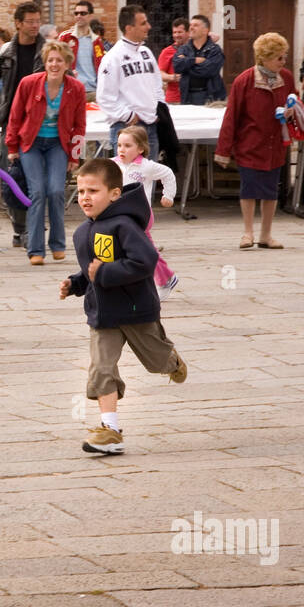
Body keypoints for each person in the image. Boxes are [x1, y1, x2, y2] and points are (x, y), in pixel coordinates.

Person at [59, 157, 187, 456]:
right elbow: (90, 270)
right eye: (81, 192)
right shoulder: (82, 232)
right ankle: (110, 430)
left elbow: (145, 261)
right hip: (103, 315)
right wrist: (76, 284)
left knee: (156, 363)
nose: (85, 198)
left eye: (93, 191)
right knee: (101, 369)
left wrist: (104, 273)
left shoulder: (125, 225)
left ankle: (171, 360)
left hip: (135, 311)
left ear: (115, 194)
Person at [5, 39, 86, 265]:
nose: (54, 64)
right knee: (37, 192)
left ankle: (58, 245)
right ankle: (35, 249)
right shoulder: (29, 83)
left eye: (59, 60)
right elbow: (15, 116)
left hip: (57, 144)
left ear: (67, 63)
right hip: (30, 143)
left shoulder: (75, 88)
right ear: (44, 62)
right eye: (50, 60)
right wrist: (12, 147)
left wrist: (74, 155)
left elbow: (80, 125)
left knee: (56, 191)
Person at [215, 32, 297, 250]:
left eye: (284, 56)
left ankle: (266, 235)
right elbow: (231, 116)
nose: (283, 61)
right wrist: (223, 150)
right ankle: (247, 233)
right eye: (279, 57)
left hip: (275, 144)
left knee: (271, 190)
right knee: (249, 189)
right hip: (249, 144)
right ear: (265, 58)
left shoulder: (286, 77)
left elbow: (296, 100)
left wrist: (292, 111)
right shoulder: (244, 80)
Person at [0, 1, 44, 248]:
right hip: (13, 125)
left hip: (41, 122)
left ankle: (34, 226)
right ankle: (21, 229)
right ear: (18, 23)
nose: (35, 25)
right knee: (16, 176)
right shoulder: (4, 53)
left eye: (37, 20)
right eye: (30, 21)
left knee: (41, 180)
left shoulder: (47, 51)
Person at [114, 125, 178, 299]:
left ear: (140, 148)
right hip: (119, 214)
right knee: (138, 249)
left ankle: (164, 279)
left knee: (144, 249)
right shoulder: (113, 165)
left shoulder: (146, 166)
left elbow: (168, 174)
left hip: (140, 214)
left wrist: (168, 195)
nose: (122, 149)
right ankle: (143, 281)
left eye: (128, 146)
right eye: (119, 145)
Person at [97, 5, 166, 157]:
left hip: (151, 126)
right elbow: (104, 97)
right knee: (129, 179)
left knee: (149, 179)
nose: (149, 26)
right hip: (127, 128)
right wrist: (128, 116)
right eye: (143, 23)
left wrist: (159, 109)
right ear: (129, 28)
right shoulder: (112, 57)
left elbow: (157, 86)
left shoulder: (146, 52)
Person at [58, 0, 108, 98]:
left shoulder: (96, 40)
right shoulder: (65, 37)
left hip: (94, 90)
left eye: (83, 13)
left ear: (91, 16)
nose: (79, 16)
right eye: (76, 13)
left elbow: (102, 65)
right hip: (72, 89)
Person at [174, 14, 226, 105]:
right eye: (191, 25)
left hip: (210, 97)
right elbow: (177, 66)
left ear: (206, 30)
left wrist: (186, 64)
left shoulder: (215, 50)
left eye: (196, 25)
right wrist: (195, 60)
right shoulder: (183, 49)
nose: (191, 28)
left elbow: (209, 70)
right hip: (187, 97)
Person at [158, 18, 187, 105]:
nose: (176, 35)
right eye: (174, 32)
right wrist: (173, 77)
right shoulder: (166, 52)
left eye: (180, 32)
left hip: (192, 97)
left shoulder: (195, 49)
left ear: (188, 32)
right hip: (173, 99)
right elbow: (159, 73)